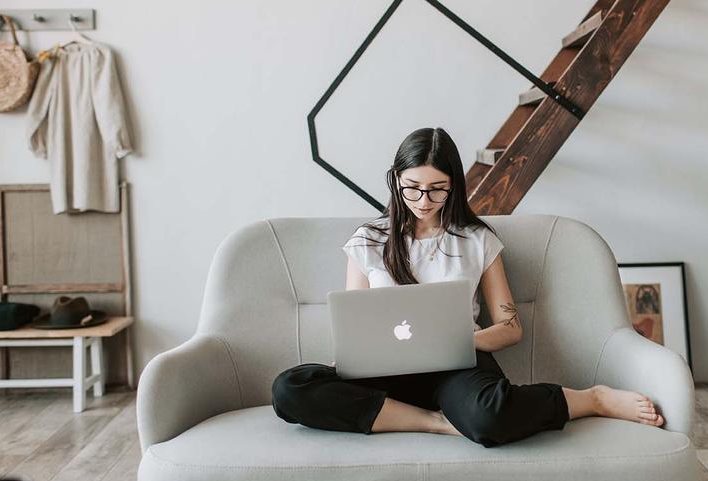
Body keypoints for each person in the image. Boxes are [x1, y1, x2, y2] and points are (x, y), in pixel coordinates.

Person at [271, 127, 664, 448]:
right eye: (412, 187)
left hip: (458, 365)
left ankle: (591, 398)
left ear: (454, 185)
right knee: (290, 389)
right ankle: (435, 423)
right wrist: (358, 356)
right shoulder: (368, 240)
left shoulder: (477, 241)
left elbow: (511, 328)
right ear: (395, 181)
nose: (423, 201)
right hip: (384, 373)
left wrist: (458, 341)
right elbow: (355, 324)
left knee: (491, 417)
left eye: (437, 188)